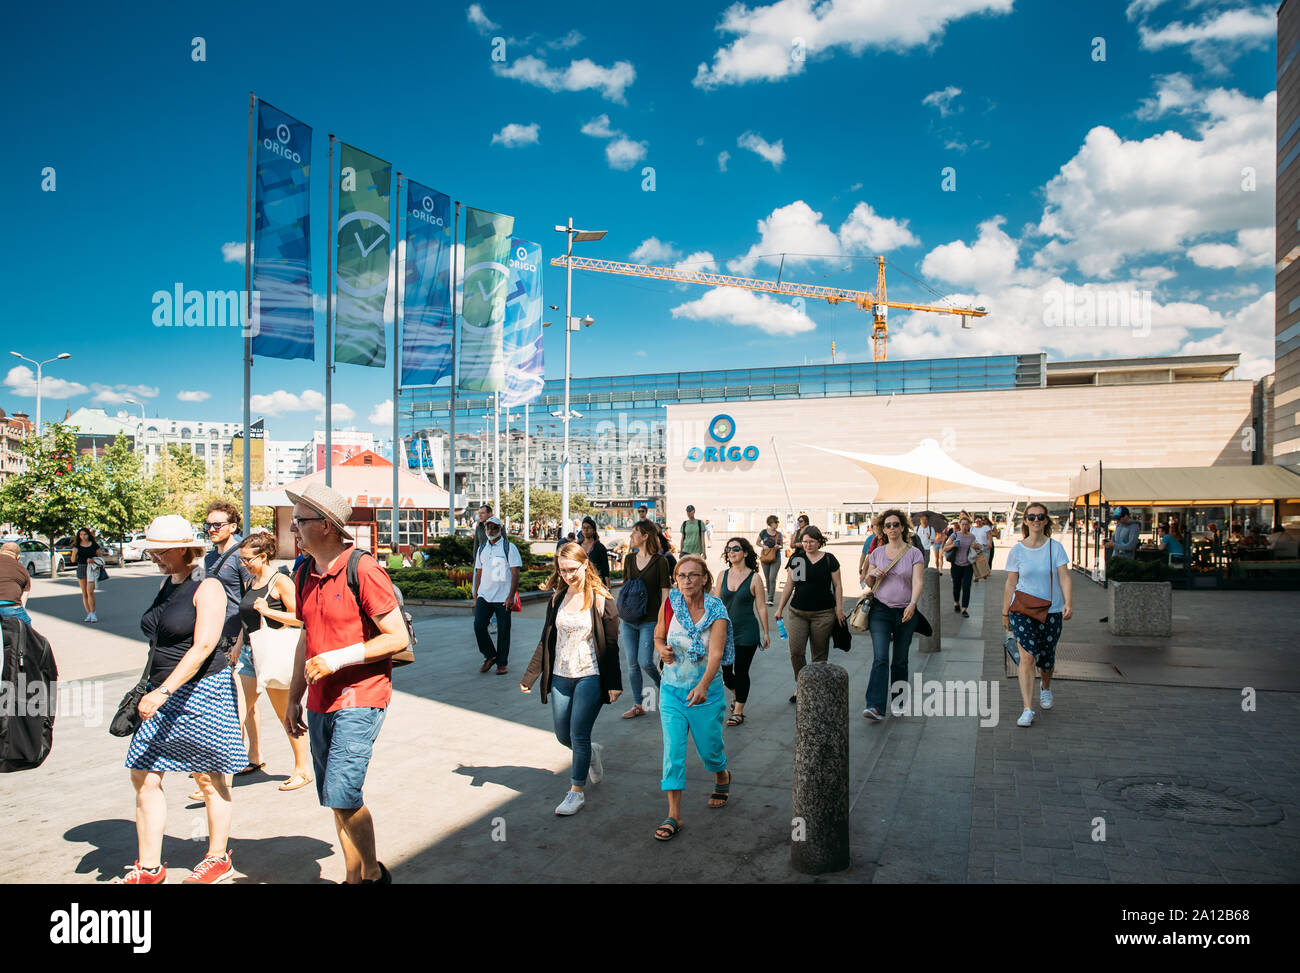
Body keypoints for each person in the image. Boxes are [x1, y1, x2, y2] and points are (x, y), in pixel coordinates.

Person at [284, 483, 409, 884]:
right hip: (319, 701)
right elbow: (306, 638)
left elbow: (396, 638)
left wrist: (338, 658)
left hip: (361, 697)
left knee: (343, 794)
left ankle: (373, 874)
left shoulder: (363, 568)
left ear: (325, 525)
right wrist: (292, 699)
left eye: (299, 521)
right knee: (334, 800)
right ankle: (353, 875)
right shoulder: (303, 571)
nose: (293, 529)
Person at [122, 515, 247, 884]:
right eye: (152, 550)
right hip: (161, 692)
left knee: (209, 779)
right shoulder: (169, 583)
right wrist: (155, 688)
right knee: (143, 773)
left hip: (200, 691)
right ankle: (148, 867)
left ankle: (218, 857)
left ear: (182, 548)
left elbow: (205, 644)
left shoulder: (206, 585)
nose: (154, 556)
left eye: (160, 551)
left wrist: (164, 690)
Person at [521, 543, 623, 815]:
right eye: (562, 570)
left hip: (590, 674)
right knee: (562, 734)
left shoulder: (601, 599)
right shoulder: (557, 599)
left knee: (578, 734)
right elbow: (547, 639)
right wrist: (531, 676)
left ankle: (575, 792)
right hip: (560, 675)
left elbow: (612, 645)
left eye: (572, 569)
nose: (568, 575)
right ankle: (591, 753)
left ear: (585, 565)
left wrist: (614, 683)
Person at [652, 554, 733, 841]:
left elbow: (716, 654)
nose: (686, 581)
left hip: (705, 693)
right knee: (672, 753)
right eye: (681, 576)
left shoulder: (716, 610)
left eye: (692, 575)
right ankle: (674, 814)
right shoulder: (671, 603)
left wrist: (703, 685)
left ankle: (721, 773)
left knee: (709, 749)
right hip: (672, 691)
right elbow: (659, 637)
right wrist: (662, 650)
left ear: (704, 579)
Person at [233, 530, 313, 792]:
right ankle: (221, 773)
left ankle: (302, 768)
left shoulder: (280, 582)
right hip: (248, 654)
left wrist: (268, 611)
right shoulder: (251, 581)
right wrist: (236, 645)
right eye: (242, 560)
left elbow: (300, 617)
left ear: (264, 556)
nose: (243, 565)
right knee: (235, 713)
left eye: (247, 560)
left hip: (272, 653)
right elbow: (245, 619)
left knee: (286, 714)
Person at [1002, 503, 1072, 728]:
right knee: (1027, 657)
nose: (1035, 520)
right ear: (1025, 521)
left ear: (1045, 521)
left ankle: (1046, 687)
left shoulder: (1055, 548)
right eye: (1031, 516)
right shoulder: (1017, 550)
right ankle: (1027, 708)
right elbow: (1011, 582)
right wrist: (1005, 611)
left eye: (1040, 517)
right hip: (1022, 610)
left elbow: (1064, 577)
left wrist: (1068, 602)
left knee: (1047, 659)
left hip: (1051, 610)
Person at [202, 501, 256, 774]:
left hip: (236, 637)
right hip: (215, 633)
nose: (211, 529)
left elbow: (250, 598)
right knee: (244, 701)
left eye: (217, 524)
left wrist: (240, 641)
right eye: (208, 525)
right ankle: (252, 755)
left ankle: (232, 760)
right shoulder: (210, 558)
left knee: (232, 700)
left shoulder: (240, 556)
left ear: (233, 526)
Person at [861, 510, 925, 722]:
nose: (892, 528)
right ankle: (875, 706)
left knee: (900, 660)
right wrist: (872, 574)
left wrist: (913, 604)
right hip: (880, 610)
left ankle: (898, 701)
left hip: (905, 610)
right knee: (880, 657)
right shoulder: (877, 553)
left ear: (902, 527)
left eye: (896, 524)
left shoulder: (914, 553)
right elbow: (868, 583)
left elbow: (918, 582)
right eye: (887, 525)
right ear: (882, 529)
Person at [775, 525, 845, 704]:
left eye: (811, 542)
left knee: (819, 655)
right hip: (798, 612)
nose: (808, 545)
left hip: (823, 614)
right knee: (796, 651)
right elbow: (790, 585)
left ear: (819, 542)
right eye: (805, 542)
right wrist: (780, 608)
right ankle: (802, 684)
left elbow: (837, 585)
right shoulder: (797, 559)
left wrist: (839, 609)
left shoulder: (829, 559)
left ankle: (817, 687)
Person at [619, 520, 671, 719]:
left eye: (634, 533)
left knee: (645, 661)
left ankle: (663, 687)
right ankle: (638, 704)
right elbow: (625, 588)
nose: (631, 536)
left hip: (650, 620)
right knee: (632, 663)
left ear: (645, 536)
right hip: (629, 619)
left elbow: (665, 591)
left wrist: (663, 620)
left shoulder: (660, 562)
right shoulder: (629, 559)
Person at [716, 537, 768, 727]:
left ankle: (738, 711)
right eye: (728, 549)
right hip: (725, 632)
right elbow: (716, 604)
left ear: (745, 552)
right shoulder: (722, 575)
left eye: (736, 548)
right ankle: (738, 695)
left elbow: (762, 607)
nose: (731, 552)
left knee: (742, 670)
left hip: (747, 632)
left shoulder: (754, 577)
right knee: (727, 673)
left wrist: (766, 632)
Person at [472, 516, 521, 675]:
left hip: (503, 596)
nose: (491, 531)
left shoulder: (509, 547)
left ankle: (502, 663)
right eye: (488, 528)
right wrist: (476, 593)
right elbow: (479, 572)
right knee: (479, 626)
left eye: (494, 528)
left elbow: (515, 573)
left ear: (500, 529)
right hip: (484, 595)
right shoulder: (482, 549)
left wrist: (510, 595)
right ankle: (490, 655)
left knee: (503, 630)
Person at [942, 516, 978, 617]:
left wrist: (976, 546)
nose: (965, 526)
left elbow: (977, 549)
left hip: (968, 565)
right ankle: (956, 602)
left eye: (967, 524)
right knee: (956, 586)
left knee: (966, 587)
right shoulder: (955, 535)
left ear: (969, 525)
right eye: (963, 524)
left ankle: (964, 609)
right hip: (956, 565)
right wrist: (953, 545)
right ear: (959, 525)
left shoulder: (972, 537)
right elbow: (945, 548)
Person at [72, 526, 101, 622]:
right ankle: (88, 613)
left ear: (88, 535)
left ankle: (93, 613)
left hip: (92, 568)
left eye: (85, 534)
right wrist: (74, 552)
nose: (83, 536)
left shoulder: (94, 545)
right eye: (81, 535)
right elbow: (72, 560)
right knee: (84, 592)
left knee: (90, 591)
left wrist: (93, 560)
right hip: (81, 568)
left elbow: (100, 557)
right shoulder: (77, 546)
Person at [0, 542, 33, 624]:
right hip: (10, 607)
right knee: (26, 628)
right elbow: (23, 599)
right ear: (18, 557)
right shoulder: (22, 570)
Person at [756, 515, 784, 607]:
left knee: (772, 577)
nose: (776, 524)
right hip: (765, 557)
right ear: (770, 523)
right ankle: (769, 595)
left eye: (777, 522)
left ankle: (770, 598)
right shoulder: (763, 532)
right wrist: (763, 546)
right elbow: (758, 542)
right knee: (767, 578)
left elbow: (781, 545)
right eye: (775, 522)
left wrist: (778, 546)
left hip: (776, 557)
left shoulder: (778, 534)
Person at [579, 516, 610, 585]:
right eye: (584, 528)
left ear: (594, 530)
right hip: (580, 582)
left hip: (596, 582)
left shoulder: (600, 547)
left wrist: (608, 587)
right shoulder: (578, 546)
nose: (586, 530)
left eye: (588, 528)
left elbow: (605, 568)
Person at [857, 515, 884, 587]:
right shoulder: (874, 539)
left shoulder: (888, 539)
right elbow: (866, 555)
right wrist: (862, 570)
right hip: (875, 573)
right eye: (875, 527)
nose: (877, 529)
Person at [970, 516, 992, 581]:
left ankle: (984, 573)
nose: (978, 522)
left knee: (984, 561)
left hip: (984, 546)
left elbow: (989, 536)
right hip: (975, 546)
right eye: (977, 521)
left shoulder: (986, 528)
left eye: (979, 521)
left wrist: (990, 543)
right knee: (975, 561)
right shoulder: (972, 528)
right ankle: (976, 575)